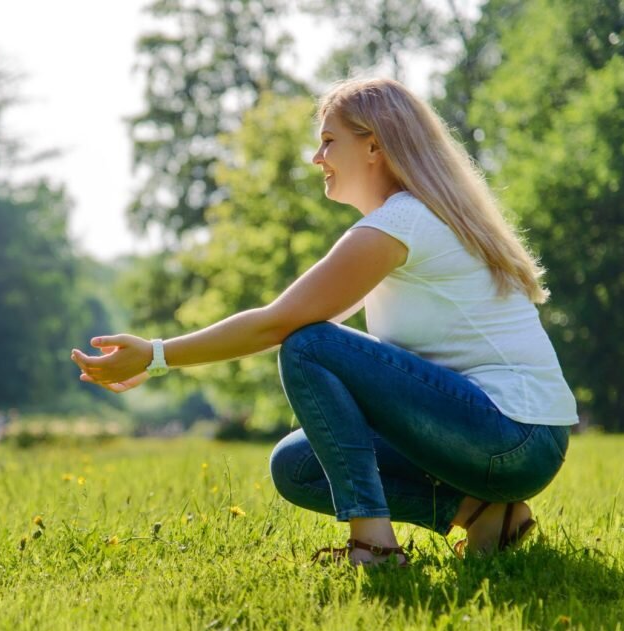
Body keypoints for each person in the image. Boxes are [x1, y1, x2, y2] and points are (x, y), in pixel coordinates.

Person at [72, 78, 577, 566]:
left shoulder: (401, 222)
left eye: (329, 142)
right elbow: (287, 325)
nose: (318, 159)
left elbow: (280, 326)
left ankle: (374, 548)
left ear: (373, 146)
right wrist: (159, 359)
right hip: (518, 443)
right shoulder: (418, 217)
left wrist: (159, 355)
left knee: (308, 346)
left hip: (511, 436)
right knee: (298, 465)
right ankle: (484, 514)